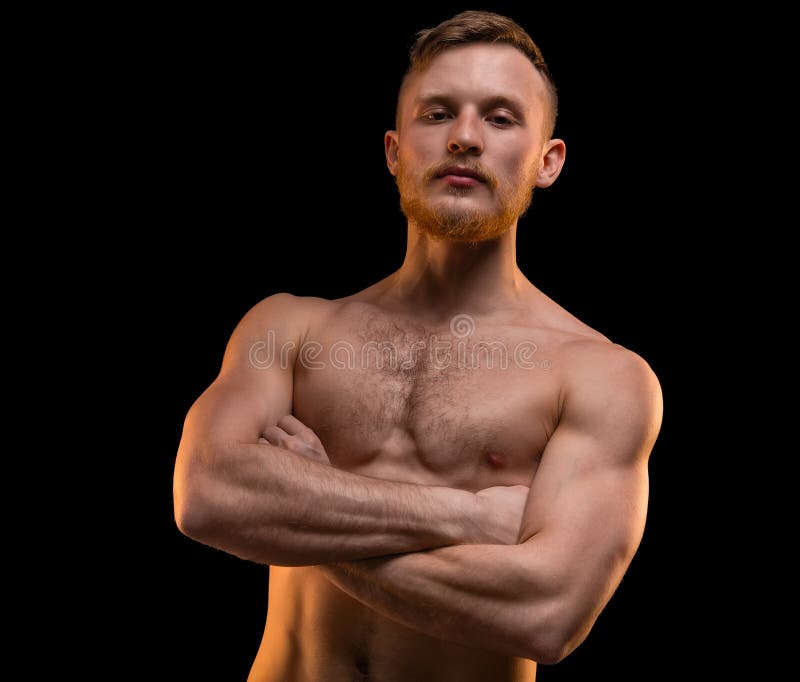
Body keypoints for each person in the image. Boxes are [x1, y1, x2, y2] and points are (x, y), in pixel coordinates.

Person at [173, 10, 662, 681]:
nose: (464, 137)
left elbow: (548, 613)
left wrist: (298, 512)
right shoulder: (287, 329)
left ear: (547, 162)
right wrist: (471, 516)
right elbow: (206, 494)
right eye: (437, 114)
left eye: (500, 118)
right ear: (394, 151)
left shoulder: (602, 376)